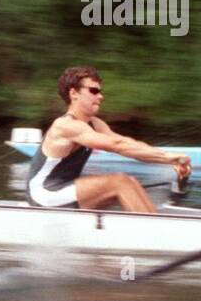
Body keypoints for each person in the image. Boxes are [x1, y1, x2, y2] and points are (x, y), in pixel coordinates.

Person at [26, 67, 191, 212]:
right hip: (44, 194)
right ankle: (156, 234)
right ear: (74, 93)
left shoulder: (95, 124)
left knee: (130, 181)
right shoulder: (65, 125)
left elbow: (129, 144)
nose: (100, 97)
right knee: (120, 182)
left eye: (100, 91)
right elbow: (117, 145)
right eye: (94, 91)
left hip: (63, 190)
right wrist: (168, 158)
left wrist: (169, 158)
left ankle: (154, 225)